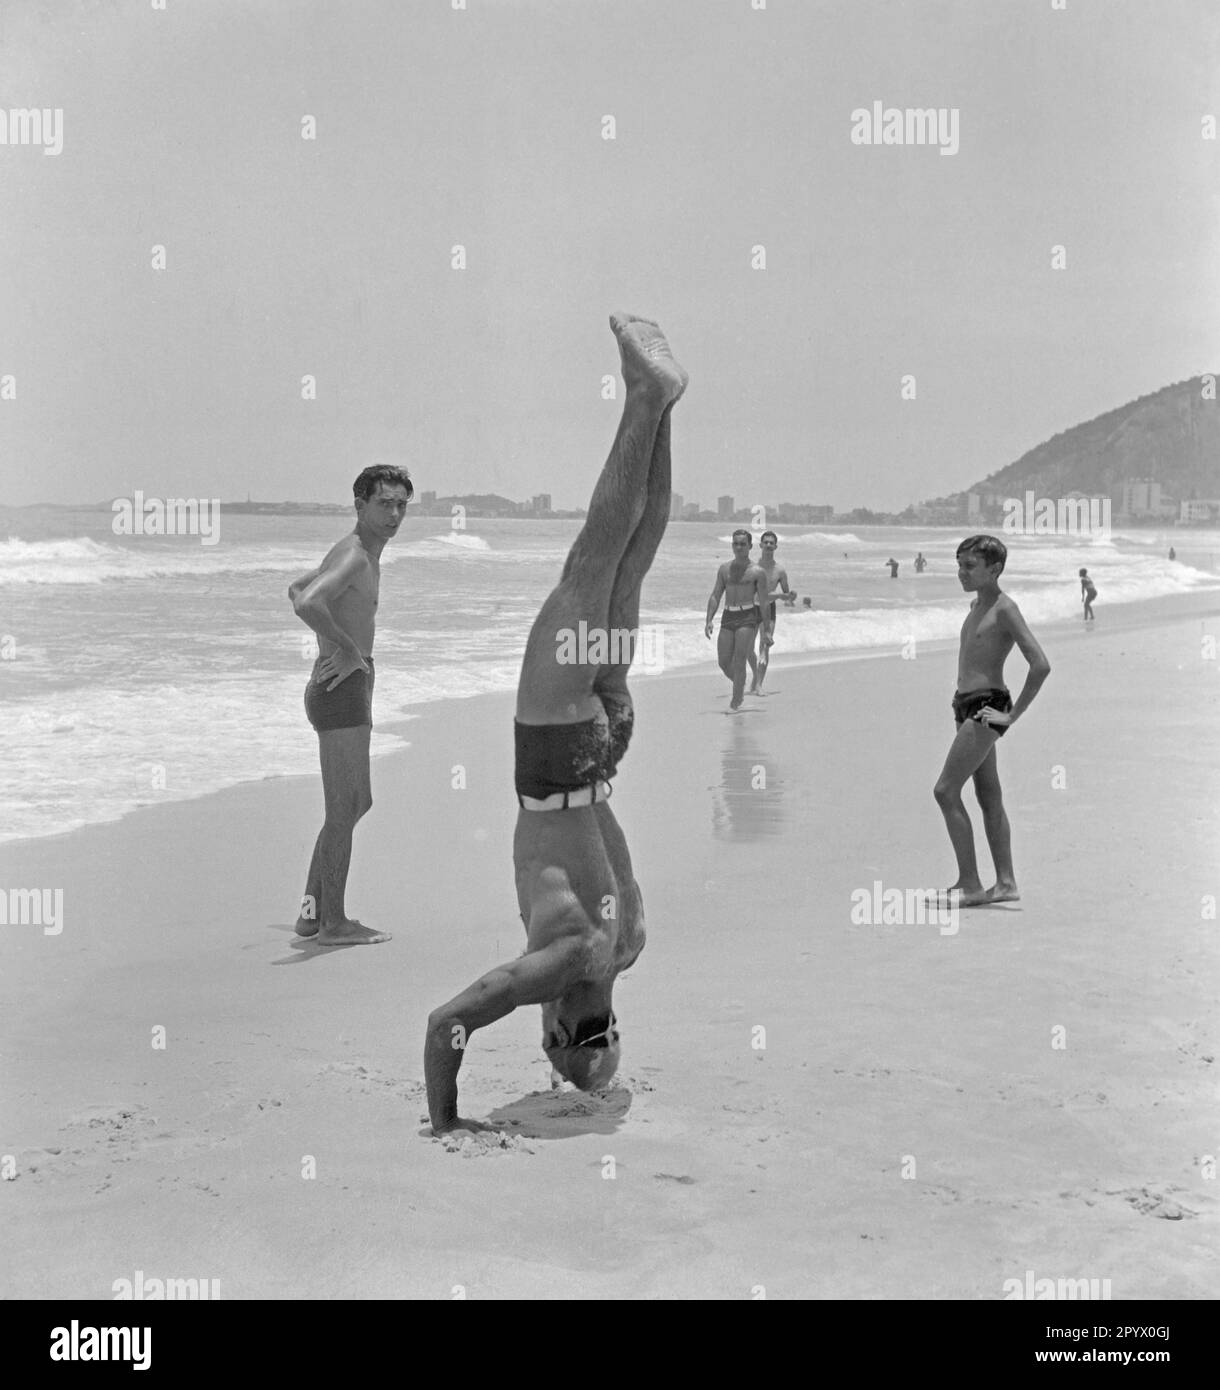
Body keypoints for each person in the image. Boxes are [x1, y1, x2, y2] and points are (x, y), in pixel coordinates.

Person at [423, 313, 687, 1134]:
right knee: (594, 558)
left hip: (607, 746)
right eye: (548, 1039)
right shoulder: (568, 960)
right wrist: (447, 1121)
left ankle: (664, 409)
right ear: (561, 1023)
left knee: (633, 559)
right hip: (559, 760)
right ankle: (646, 398)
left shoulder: (631, 943)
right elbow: (446, 1027)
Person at [288, 464, 412, 946]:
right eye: (385, 503)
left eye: (402, 505)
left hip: (349, 684)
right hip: (340, 689)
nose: (395, 514)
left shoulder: (361, 554)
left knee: (356, 802)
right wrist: (345, 649)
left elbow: (297, 589)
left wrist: (345, 652)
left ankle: (310, 912)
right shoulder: (356, 555)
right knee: (345, 807)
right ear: (360, 506)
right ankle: (333, 924)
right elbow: (307, 604)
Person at [932, 535, 1051, 907]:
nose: (961, 573)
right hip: (965, 705)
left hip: (987, 707)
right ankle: (1005, 883)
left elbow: (1041, 664)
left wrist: (1011, 716)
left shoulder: (1005, 608)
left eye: (970, 566)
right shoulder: (975, 605)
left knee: (945, 791)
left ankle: (969, 883)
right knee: (988, 795)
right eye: (959, 565)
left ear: (994, 569)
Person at [706, 530, 771, 709]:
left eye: (743, 544)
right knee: (724, 662)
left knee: (740, 658)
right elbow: (715, 595)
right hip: (728, 616)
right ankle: (740, 683)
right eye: (736, 543)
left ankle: (736, 701)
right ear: (732, 545)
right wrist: (709, 620)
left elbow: (764, 602)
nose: (739, 547)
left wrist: (767, 630)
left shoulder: (757, 572)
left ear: (750, 546)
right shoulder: (724, 569)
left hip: (747, 616)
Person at [749, 530, 796, 693]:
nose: (768, 545)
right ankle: (755, 676)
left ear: (776, 546)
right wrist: (780, 595)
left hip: (769, 610)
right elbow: (754, 594)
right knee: (748, 648)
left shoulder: (780, 571)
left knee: (764, 646)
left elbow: (787, 596)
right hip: (751, 609)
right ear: (760, 545)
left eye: (771, 543)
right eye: (766, 542)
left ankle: (759, 685)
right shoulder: (753, 568)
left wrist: (791, 597)